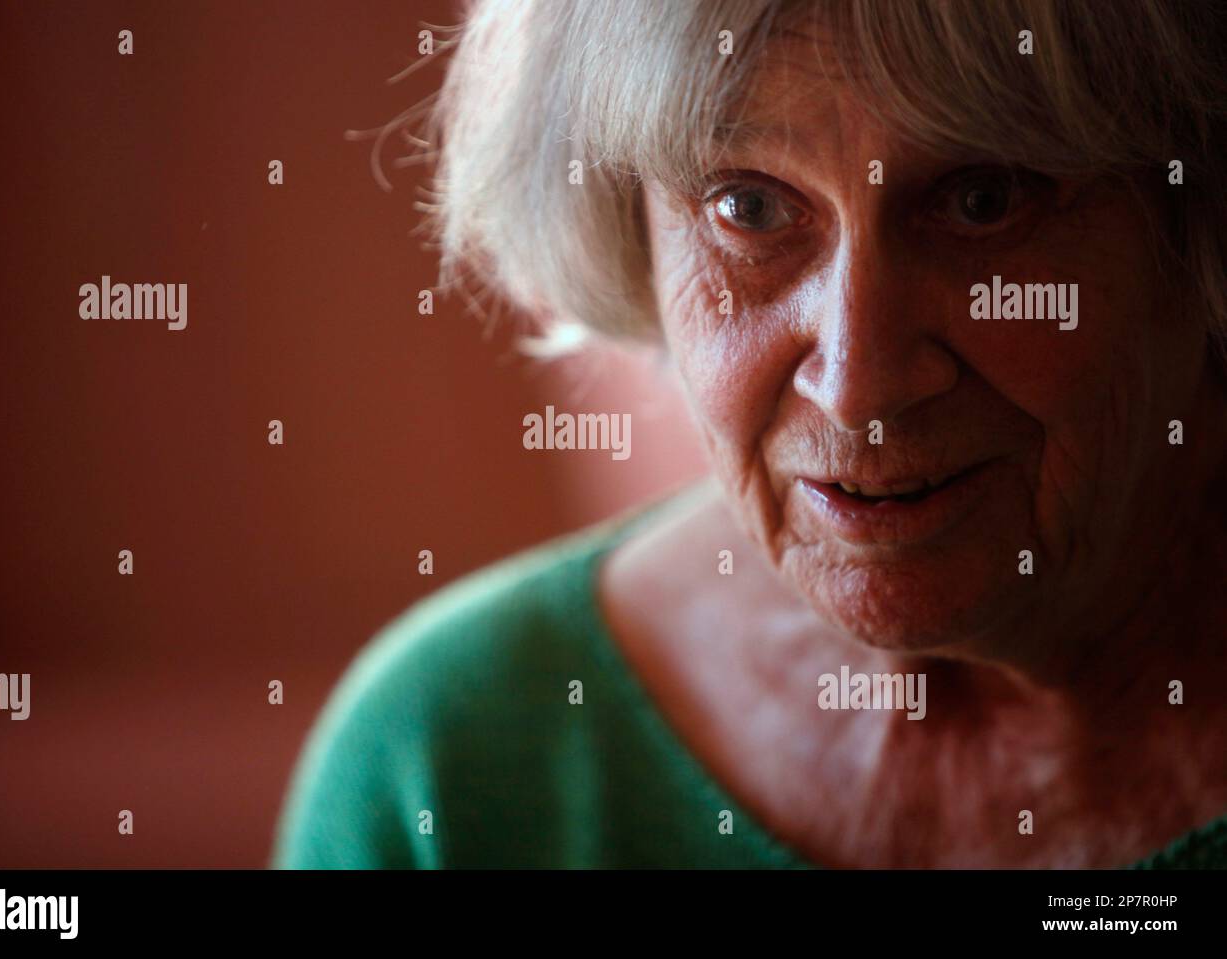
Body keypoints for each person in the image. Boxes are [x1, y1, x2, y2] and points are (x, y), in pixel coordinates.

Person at [274, 0, 1227, 868]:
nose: (857, 387)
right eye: (750, 207)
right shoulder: (453, 763)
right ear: (630, 228)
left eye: (985, 199)